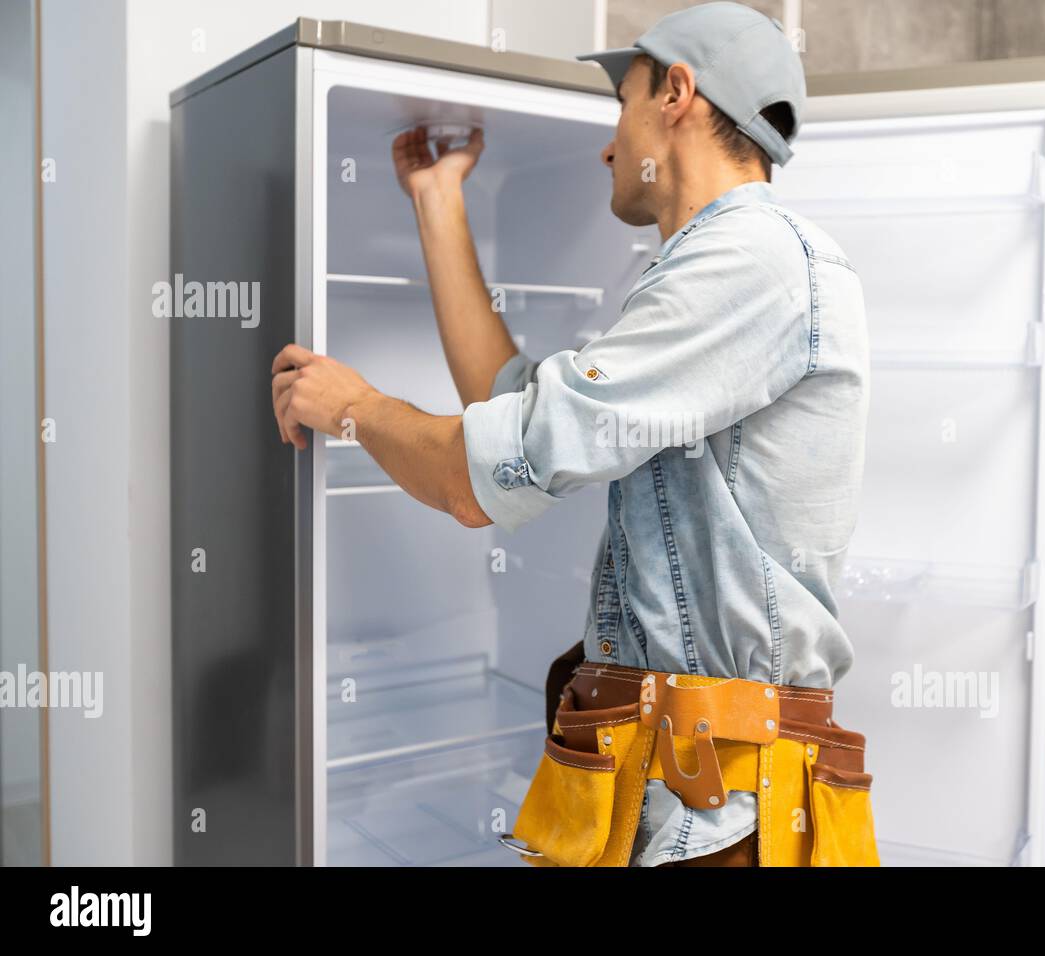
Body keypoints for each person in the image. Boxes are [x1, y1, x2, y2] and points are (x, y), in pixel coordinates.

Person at [270, 1, 873, 867]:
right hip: (677, 793)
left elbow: (477, 479)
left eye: (620, 105)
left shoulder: (757, 263)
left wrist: (353, 405)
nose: (607, 145)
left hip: (727, 815)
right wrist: (440, 202)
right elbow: (511, 407)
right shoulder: (714, 271)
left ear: (676, 93)